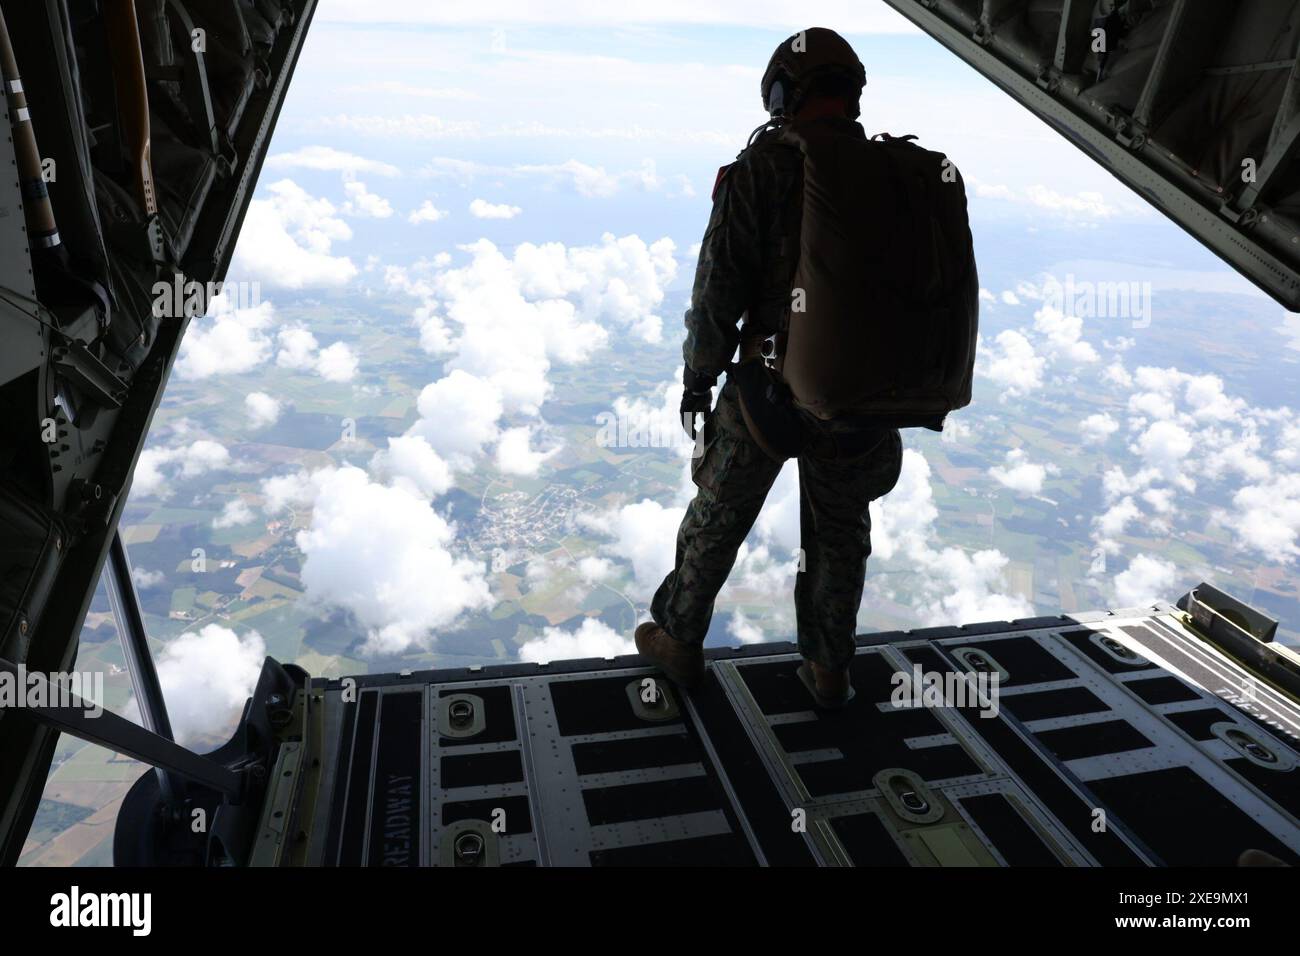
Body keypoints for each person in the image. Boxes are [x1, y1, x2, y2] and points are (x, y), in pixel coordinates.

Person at [634, 28, 911, 709]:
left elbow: (716, 294)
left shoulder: (761, 170)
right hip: (860, 398)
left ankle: (679, 639)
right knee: (839, 535)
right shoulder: (894, 175)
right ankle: (827, 670)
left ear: (784, 93)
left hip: (770, 389)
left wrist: (698, 379)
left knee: (718, 516)